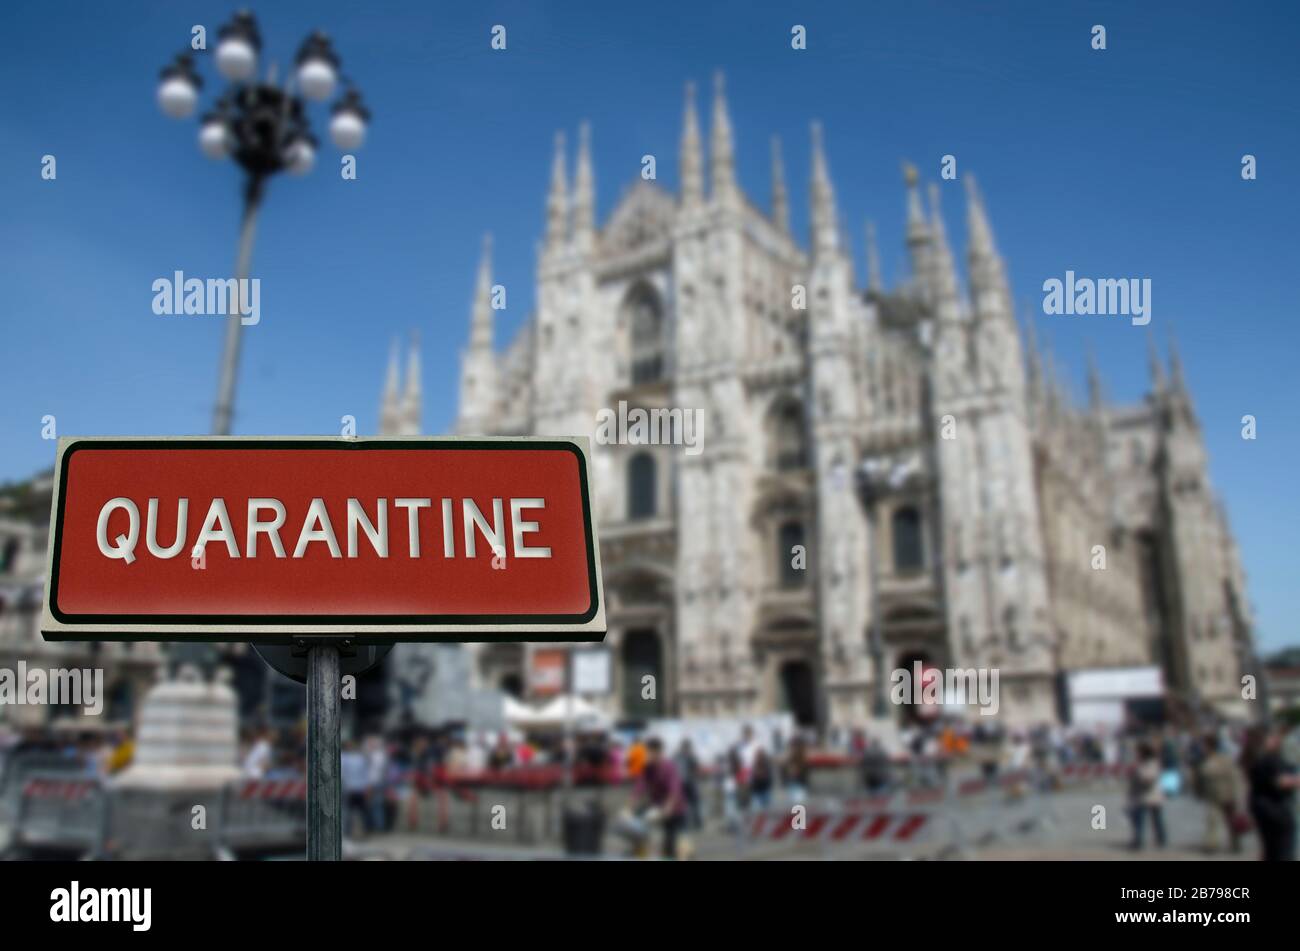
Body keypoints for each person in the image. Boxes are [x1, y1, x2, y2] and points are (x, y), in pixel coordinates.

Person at [1241, 724, 1299, 862]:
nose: (1277, 739)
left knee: (1270, 849)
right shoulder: (1269, 759)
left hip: (1261, 807)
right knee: (1282, 850)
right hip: (1276, 809)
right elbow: (1281, 782)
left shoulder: (1252, 757)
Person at [630, 737, 687, 858]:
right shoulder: (647, 768)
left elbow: (674, 789)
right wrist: (631, 804)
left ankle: (682, 853)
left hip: (674, 809)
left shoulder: (669, 767)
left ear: (659, 752)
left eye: (651, 752)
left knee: (671, 843)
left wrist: (668, 807)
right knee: (647, 837)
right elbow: (640, 786)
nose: (648, 755)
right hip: (658, 807)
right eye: (647, 752)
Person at [1198, 732, 1245, 854]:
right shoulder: (1206, 760)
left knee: (1231, 821)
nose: (1202, 748)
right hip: (1213, 796)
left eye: (1203, 745)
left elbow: (1235, 777)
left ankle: (1236, 843)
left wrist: (1236, 795)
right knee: (1212, 820)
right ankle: (1212, 844)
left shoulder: (1224, 759)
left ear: (1209, 746)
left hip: (1227, 795)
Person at [1127, 741, 1166, 850]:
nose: (1136, 754)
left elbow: (1149, 779)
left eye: (1138, 752)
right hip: (1142, 796)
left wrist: (1139, 773)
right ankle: (1138, 840)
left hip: (1152, 795)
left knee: (1156, 820)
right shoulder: (1141, 764)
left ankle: (1161, 839)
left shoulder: (1153, 763)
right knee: (1138, 819)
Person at [674, 739, 702, 828]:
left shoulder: (680, 756)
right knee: (688, 804)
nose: (686, 749)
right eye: (686, 747)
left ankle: (696, 823)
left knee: (693, 804)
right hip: (685, 783)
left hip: (688, 783)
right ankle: (687, 823)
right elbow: (696, 768)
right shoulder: (682, 756)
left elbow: (696, 768)